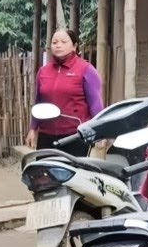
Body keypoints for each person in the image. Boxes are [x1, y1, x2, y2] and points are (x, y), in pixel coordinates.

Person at [25, 28, 104, 156]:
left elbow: (95, 104)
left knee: (72, 174)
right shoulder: (43, 72)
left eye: (63, 42)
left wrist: (101, 132)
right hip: (46, 135)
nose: (58, 45)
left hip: (76, 136)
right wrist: (33, 129)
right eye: (54, 42)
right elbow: (38, 102)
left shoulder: (86, 70)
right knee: (44, 174)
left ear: (74, 46)